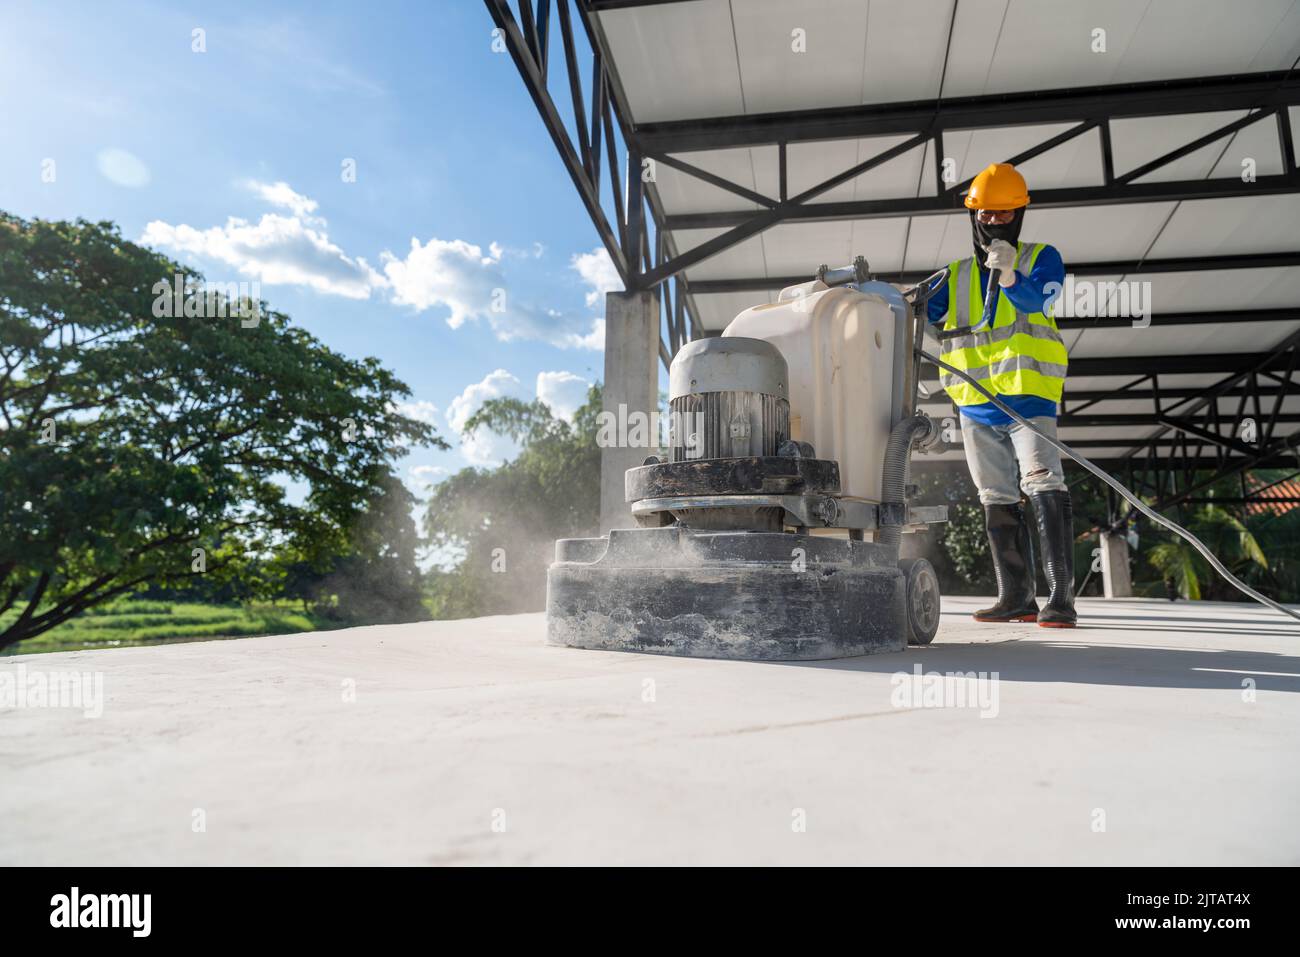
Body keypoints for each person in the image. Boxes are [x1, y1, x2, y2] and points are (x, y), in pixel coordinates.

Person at [925, 163, 1076, 628]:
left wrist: (1010, 277)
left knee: (1044, 485)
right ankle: (1015, 597)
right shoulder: (952, 276)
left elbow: (1038, 302)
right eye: (986, 215)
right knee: (995, 495)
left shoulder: (1041, 258)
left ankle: (1061, 600)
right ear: (973, 215)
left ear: (1021, 214)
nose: (994, 223)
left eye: (1004, 215)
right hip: (975, 406)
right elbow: (917, 315)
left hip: (1029, 401)